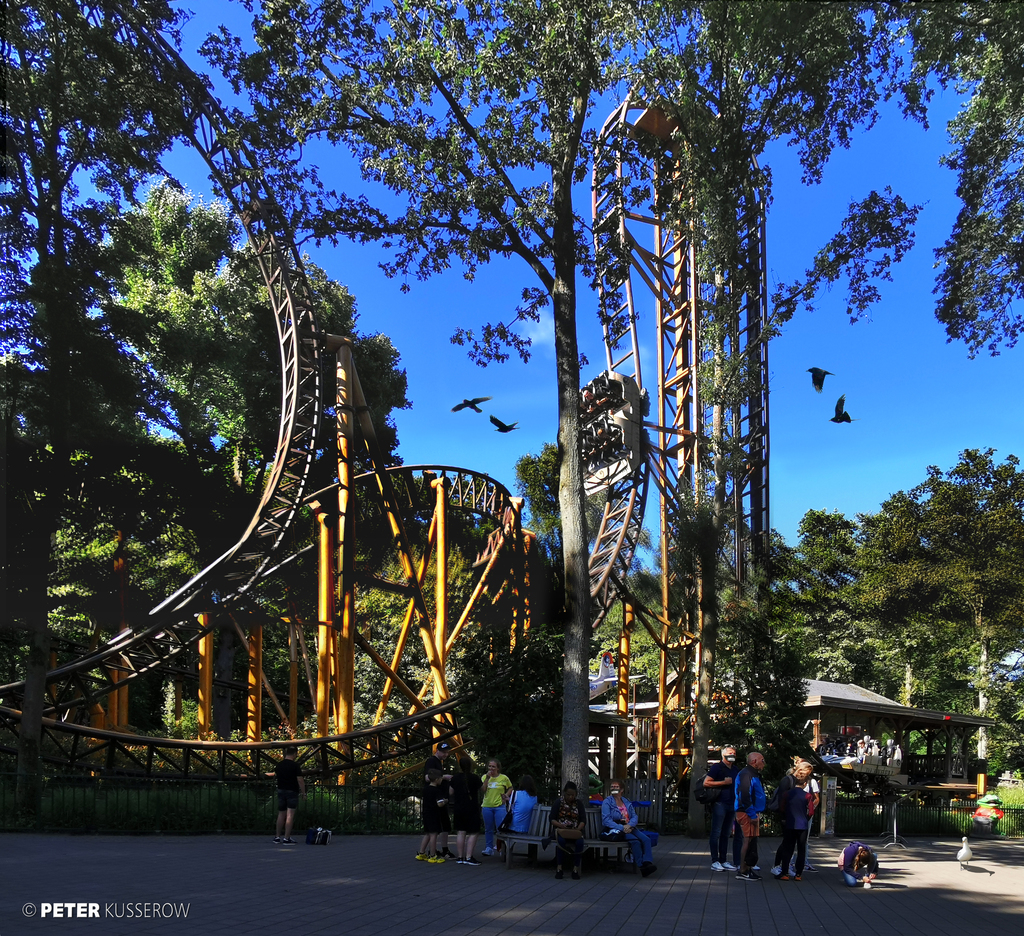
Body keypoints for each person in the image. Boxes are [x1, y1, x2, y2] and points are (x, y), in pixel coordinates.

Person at [602, 778, 656, 877]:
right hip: (616, 829)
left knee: (646, 839)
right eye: (612, 786)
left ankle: (647, 862)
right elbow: (606, 820)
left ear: (621, 790)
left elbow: (634, 816)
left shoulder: (626, 801)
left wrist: (630, 825)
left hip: (629, 827)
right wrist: (622, 828)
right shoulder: (607, 802)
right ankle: (642, 867)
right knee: (635, 841)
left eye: (616, 786)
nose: (613, 788)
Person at [705, 744, 741, 872]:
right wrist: (723, 782)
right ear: (724, 755)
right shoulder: (717, 768)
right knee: (716, 832)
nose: (733, 755)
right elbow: (706, 782)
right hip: (720, 803)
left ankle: (723, 860)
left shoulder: (735, 769)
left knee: (726, 833)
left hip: (732, 803)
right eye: (730, 753)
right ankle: (715, 860)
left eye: (734, 753)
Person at [773, 767, 812, 880]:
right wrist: (806, 818)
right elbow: (811, 811)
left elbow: (782, 807)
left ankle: (784, 872)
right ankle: (798, 874)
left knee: (788, 847)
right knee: (801, 849)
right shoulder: (807, 796)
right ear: (805, 783)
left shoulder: (787, 794)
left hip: (790, 823)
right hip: (803, 824)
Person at [734, 751, 766, 881]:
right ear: (754, 761)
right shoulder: (746, 774)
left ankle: (747, 868)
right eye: (762, 760)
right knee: (747, 840)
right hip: (747, 812)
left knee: (751, 840)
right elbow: (745, 796)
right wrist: (752, 814)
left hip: (751, 811)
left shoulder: (752, 774)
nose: (764, 763)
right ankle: (743, 870)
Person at [267, 745, 305, 845]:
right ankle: (287, 838)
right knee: (290, 815)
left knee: (281, 814)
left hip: (281, 790)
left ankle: (277, 837)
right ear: (295, 753)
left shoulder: (279, 765)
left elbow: (276, 777)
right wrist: (303, 793)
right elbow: (300, 780)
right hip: (292, 791)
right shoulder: (295, 766)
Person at [424, 741, 456, 859]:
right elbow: (427, 777)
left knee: (443, 824)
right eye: (443, 752)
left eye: (447, 752)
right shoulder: (432, 761)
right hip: (436, 798)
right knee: (438, 826)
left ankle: (439, 849)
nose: (445, 755)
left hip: (441, 796)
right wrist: (444, 777)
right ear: (437, 751)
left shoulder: (439, 762)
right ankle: (436, 851)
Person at [449, 755, 483, 866]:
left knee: (460, 831)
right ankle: (469, 856)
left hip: (459, 807)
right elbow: (483, 789)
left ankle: (460, 856)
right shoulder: (475, 778)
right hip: (472, 807)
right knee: (473, 832)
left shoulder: (455, 778)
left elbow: (450, 792)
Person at [549, 780, 586, 880]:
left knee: (579, 842)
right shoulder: (558, 802)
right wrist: (560, 825)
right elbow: (552, 819)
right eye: (568, 795)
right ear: (564, 793)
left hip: (575, 831)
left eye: (573, 795)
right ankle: (559, 868)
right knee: (561, 842)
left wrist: (578, 829)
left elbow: (583, 820)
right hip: (562, 830)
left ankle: (575, 869)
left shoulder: (578, 804)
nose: (570, 797)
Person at [480, 757, 512, 856]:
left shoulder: (504, 778)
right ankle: (489, 848)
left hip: (499, 806)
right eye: (489, 766)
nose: (491, 769)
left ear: (498, 768)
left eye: (493, 767)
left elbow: (510, 787)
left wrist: (506, 795)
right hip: (487, 806)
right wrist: (487, 779)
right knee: (488, 828)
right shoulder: (484, 777)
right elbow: (483, 790)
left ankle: (501, 848)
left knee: (500, 829)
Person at [416, 769, 448, 863]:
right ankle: (433, 855)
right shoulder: (437, 791)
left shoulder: (426, 789)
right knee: (434, 835)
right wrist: (445, 801)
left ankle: (421, 853)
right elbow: (439, 804)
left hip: (426, 813)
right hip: (434, 814)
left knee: (427, 833)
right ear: (437, 779)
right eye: (441, 778)